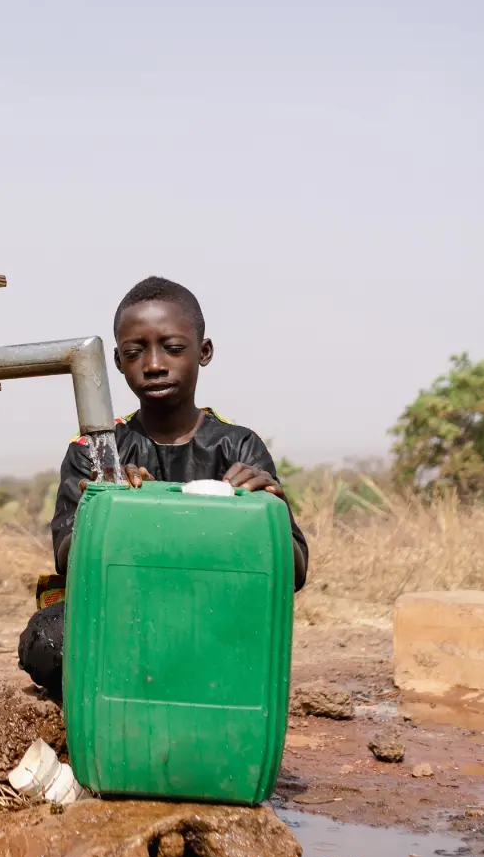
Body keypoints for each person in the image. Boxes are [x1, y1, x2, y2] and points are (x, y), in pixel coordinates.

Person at [17, 275, 309, 697]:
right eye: (135, 353)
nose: (154, 364)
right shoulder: (96, 450)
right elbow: (67, 561)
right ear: (118, 362)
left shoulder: (239, 446)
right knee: (50, 641)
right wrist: (109, 504)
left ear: (203, 352)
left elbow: (294, 572)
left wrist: (269, 510)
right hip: (123, 615)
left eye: (172, 348)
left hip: (210, 614)